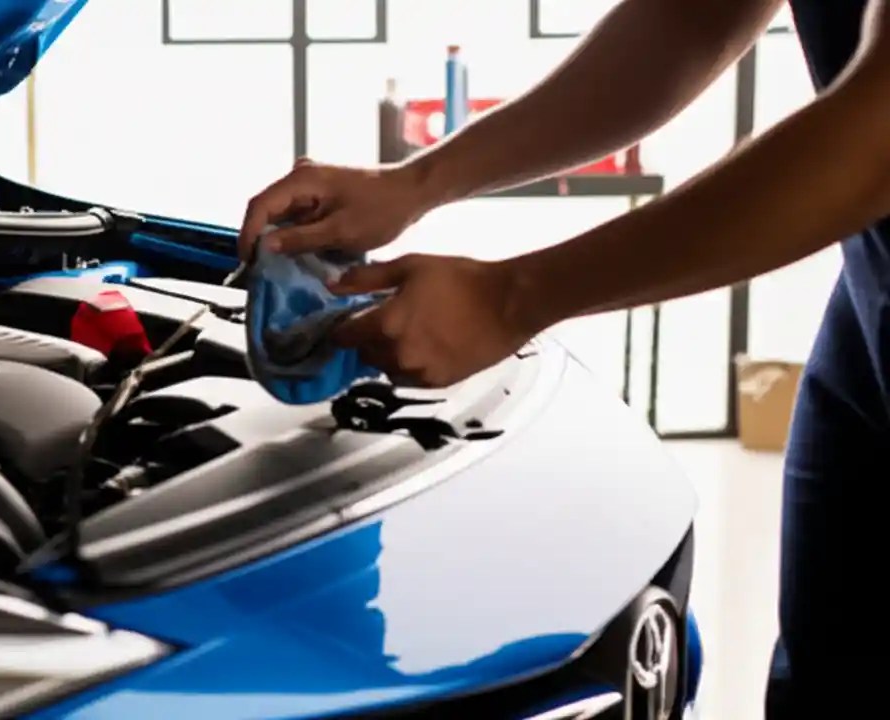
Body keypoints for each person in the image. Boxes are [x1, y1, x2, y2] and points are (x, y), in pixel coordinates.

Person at [238, 0, 886, 715]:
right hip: (872, 319)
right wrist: (416, 183)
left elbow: (878, 136)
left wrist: (511, 300)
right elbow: (690, 20)